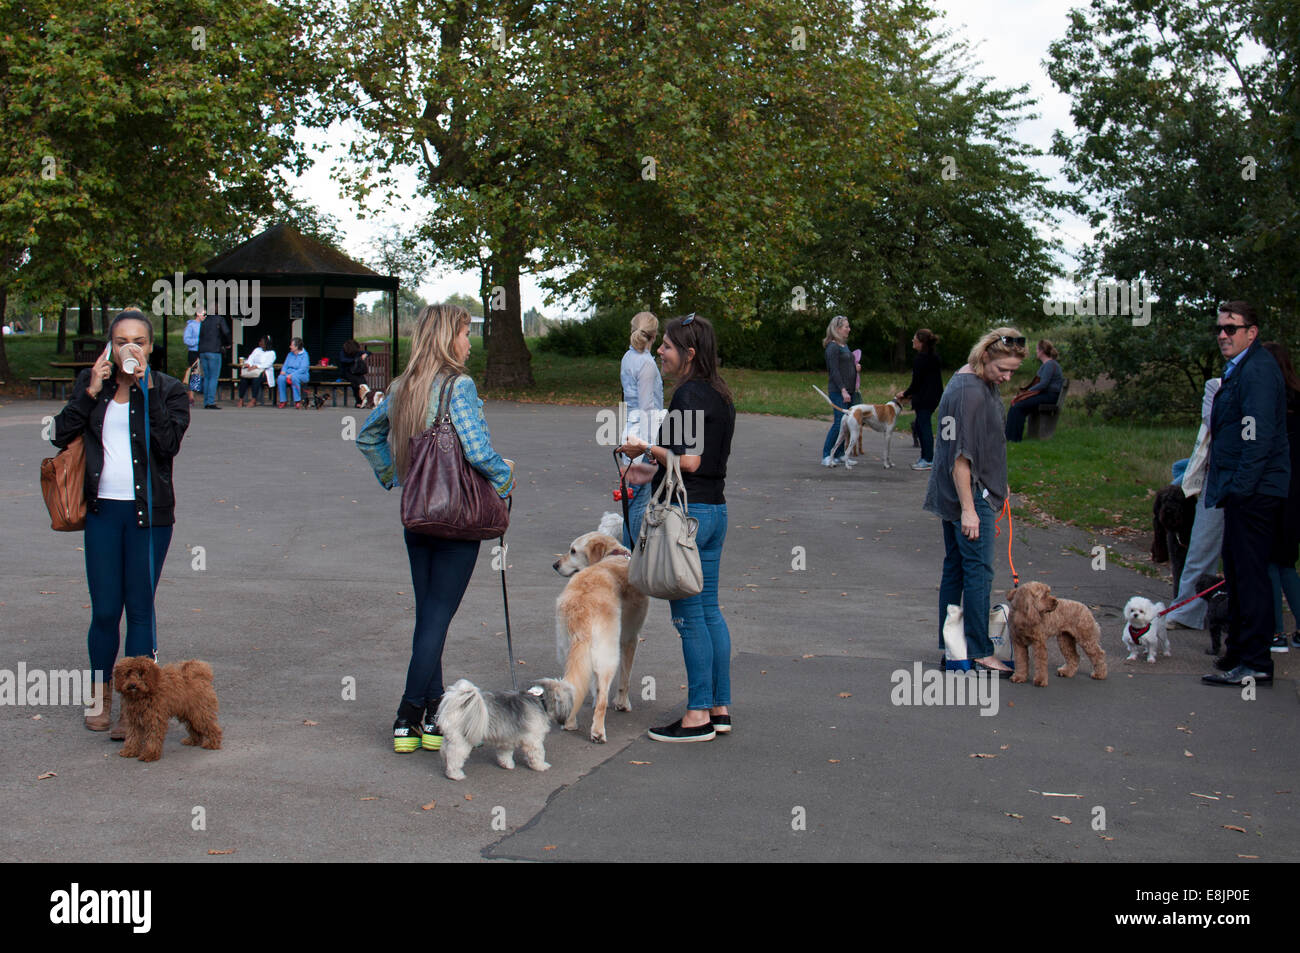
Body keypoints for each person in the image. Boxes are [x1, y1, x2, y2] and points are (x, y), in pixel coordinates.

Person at [356, 304, 514, 753]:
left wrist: (397, 478)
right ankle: (407, 713)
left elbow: (367, 436)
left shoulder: (403, 386)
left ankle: (430, 715)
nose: (469, 342)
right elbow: (479, 451)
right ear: (448, 337)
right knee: (436, 620)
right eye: (465, 333)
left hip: (418, 516)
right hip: (457, 520)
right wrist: (505, 478)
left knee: (430, 617)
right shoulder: (458, 386)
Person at [50, 309, 190, 735]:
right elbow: (59, 433)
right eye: (122, 341)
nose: (131, 347)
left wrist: (145, 390)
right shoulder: (93, 387)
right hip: (102, 513)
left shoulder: (168, 390)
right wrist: (90, 391)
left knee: (140, 608)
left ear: (150, 347)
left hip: (150, 517)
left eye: (139, 341)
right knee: (106, 609)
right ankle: (99, 696)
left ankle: (137, 710)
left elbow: (167, 445)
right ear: (110, 346)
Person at [617, 313, 736, 742]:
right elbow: (704, 463)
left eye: (666, 346)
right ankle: (719, 708)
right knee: (710, 612)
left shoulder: (687, 396)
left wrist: (644, 448)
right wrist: (649, 467)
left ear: (689, 354)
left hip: (686, 519)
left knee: (688, 616)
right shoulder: (721, 394)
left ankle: (697, 715)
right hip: (715, 511)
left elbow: (689, 461)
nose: (660, 352)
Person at [923, 328, 1026, 674]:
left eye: (1013, 371)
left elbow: (983, 443)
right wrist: (969, 510)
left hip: (960, 490)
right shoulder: (970, 392)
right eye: (1003, 370)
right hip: (968, 493)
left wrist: (1001, 480)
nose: (1007, 377)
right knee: (978, 572)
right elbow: (960, 458)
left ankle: (953, 648)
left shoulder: (970, 380)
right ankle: (981, 652)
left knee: (955, 567)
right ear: (985, 357)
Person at [1201, 301, 1289, 686]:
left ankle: (1255, 662)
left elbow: (1257, 435)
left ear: (1251, 332)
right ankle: (1238, 651)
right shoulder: (1241, 368)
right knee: (1236, 574)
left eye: (1231, 328)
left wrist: (1241, 487)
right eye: (1220, 328)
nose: (1223, 335)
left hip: (1254, 491)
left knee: (1251, 576)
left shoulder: (1257, 371)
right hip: (1241, 488)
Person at [1164, 378, 1224, 631]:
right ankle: (1187, 610)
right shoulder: (1216, 386)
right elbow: (1214, 424)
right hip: (1218, 473)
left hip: (1251, 477)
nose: (1224, 335)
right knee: (1201, 544)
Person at [1261, 340, 1300, 652]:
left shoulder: (1271, 407)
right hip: (1296, 495)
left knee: (1270, 564)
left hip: (1274, 491)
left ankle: (1275, 631)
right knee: (1287, 564)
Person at [619, 311, 664, 489]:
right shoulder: (646, 363)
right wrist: (651, 450)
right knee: (640, 498)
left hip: (631, 429)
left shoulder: (628, 357)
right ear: (654, 335)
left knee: (633, 496)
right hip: (644, 435)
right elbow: (647, 408)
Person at [897, 329, 943, 471]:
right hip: (934, 396)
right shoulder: (933, 357)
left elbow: (916, 382)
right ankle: (925, 456)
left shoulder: (920, 359)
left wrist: (904, 393)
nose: (912, 341)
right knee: (919, 425)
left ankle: (928, 459)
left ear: (920, 342)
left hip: (924, 398)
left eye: (914, 339)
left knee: (924, 426)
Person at [821, 315, 860, 468]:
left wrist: (856, 369)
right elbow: (834, 371)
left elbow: (848, 365)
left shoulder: (844, 345)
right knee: (839, 423)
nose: (849, 329)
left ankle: (839, 455)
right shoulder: (832, 347)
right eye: (846, 327)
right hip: (839, 391)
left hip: (849, 391)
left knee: (846, 424)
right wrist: (843, 390)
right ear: (837, 329)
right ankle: (826, 455)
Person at [1005, 340, 1062, 442]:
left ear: (1042, 351)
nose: (1036, 351)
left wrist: (1027, 393)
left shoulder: (1050, 364)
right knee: (1017, 405)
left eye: (1037, 349)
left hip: (1049, 397)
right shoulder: (1048, 364)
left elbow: (1043, 384)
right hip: (1046, 395)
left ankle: (1013, 438)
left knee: (1018, 406)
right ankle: (1009, 436)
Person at [195, 308, 230, 410]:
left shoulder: (204, 321)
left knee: (206, 377)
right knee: (213, 377)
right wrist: (227, 344)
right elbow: (226, 332)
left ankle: (206, 401)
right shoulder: (220, 320)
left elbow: (200, 336)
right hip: (214, 351)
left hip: (203, 351)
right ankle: (210, 402)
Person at [236, 335, 276, 408]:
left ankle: (253, 399)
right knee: (244, 378)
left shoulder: (271, 353)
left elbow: (268, 363)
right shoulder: (257, 350)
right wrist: (248, 364)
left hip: (263, 372)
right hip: (252, 370)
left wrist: (257, 366)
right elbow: (251, 358)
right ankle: (241, 399)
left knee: (256, 379)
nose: (260, 343)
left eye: (262, 342)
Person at [277, 338, 310, 408]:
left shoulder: (305, 355)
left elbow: (303, 369)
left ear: (297, 346)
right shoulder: (290, 354)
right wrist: (283, 371)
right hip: (288, 374)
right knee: (280, 378)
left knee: (294, 378)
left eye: (291, 345)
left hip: (301, 375)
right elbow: (285, 365)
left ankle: (297, 400)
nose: (290, 346)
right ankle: (283, 400)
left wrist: (292, 375)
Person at [339, 339, 370, 408]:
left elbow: (368, 352)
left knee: (362, 382)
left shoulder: (357, 352)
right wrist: (354, 360)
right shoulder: (343, 352)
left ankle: (363, 399)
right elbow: (343, 360)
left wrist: (365, 354)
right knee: (356, 384)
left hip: (356, 372)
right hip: (347, 372)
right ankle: (359, 401)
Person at [183, 311, 202, 406]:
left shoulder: (205, 325)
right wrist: (199, 340)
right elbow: (186, 340)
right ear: (198, 314)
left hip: (203, 351)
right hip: (194, 352)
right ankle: (191, 396)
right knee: (195, 373)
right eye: (204, 314)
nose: (205, 316)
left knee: (201, 373)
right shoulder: (191, 326)